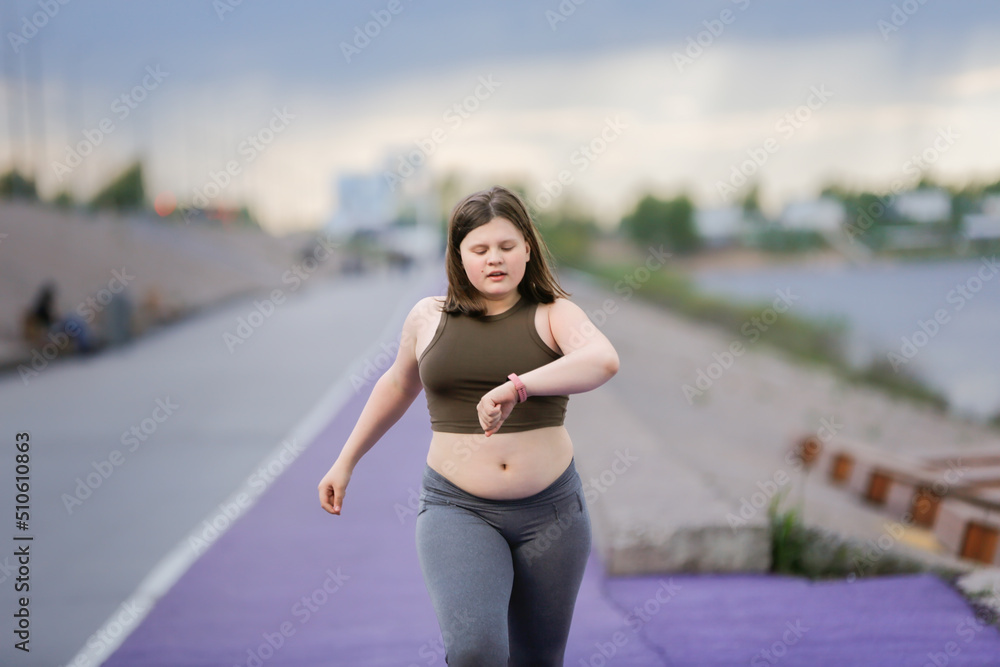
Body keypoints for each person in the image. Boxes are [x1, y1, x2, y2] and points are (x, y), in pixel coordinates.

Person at [317, 185, 620, 665]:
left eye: (506, 246)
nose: (494, 259)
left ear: (527, 249)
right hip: (458, 508)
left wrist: (517, 388)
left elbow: (603, 360)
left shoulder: (555, 313)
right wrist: (345, 461)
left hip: (553, 512)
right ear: (458, 255)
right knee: (474, 650)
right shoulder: (427, 317)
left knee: (538, 658)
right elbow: (396, 386)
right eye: (479, 249)